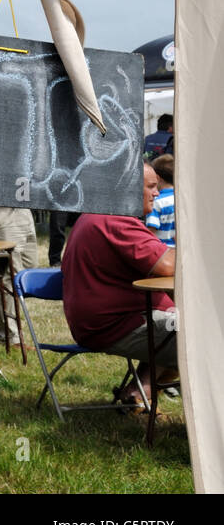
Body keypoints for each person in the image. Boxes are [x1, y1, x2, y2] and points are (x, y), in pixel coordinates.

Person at [62, 163, 176, 404]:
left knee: (183, 325)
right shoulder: (115, 220)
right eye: (151, 187)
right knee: (202, 336)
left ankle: (138, 396)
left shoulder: (101, 214)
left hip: (108, 322)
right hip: (115, 326)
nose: (157, 193)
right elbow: (167, 265)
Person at [0, 205, 39, 347]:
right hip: (2, 210)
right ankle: (10, 337)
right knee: (9, 278)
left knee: (29, 270)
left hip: (24, 207)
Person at [145, 154, 175, 247]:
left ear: (157, 178)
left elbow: (151, 232)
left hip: (163, 251)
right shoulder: (181, 200)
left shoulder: (156, 202)